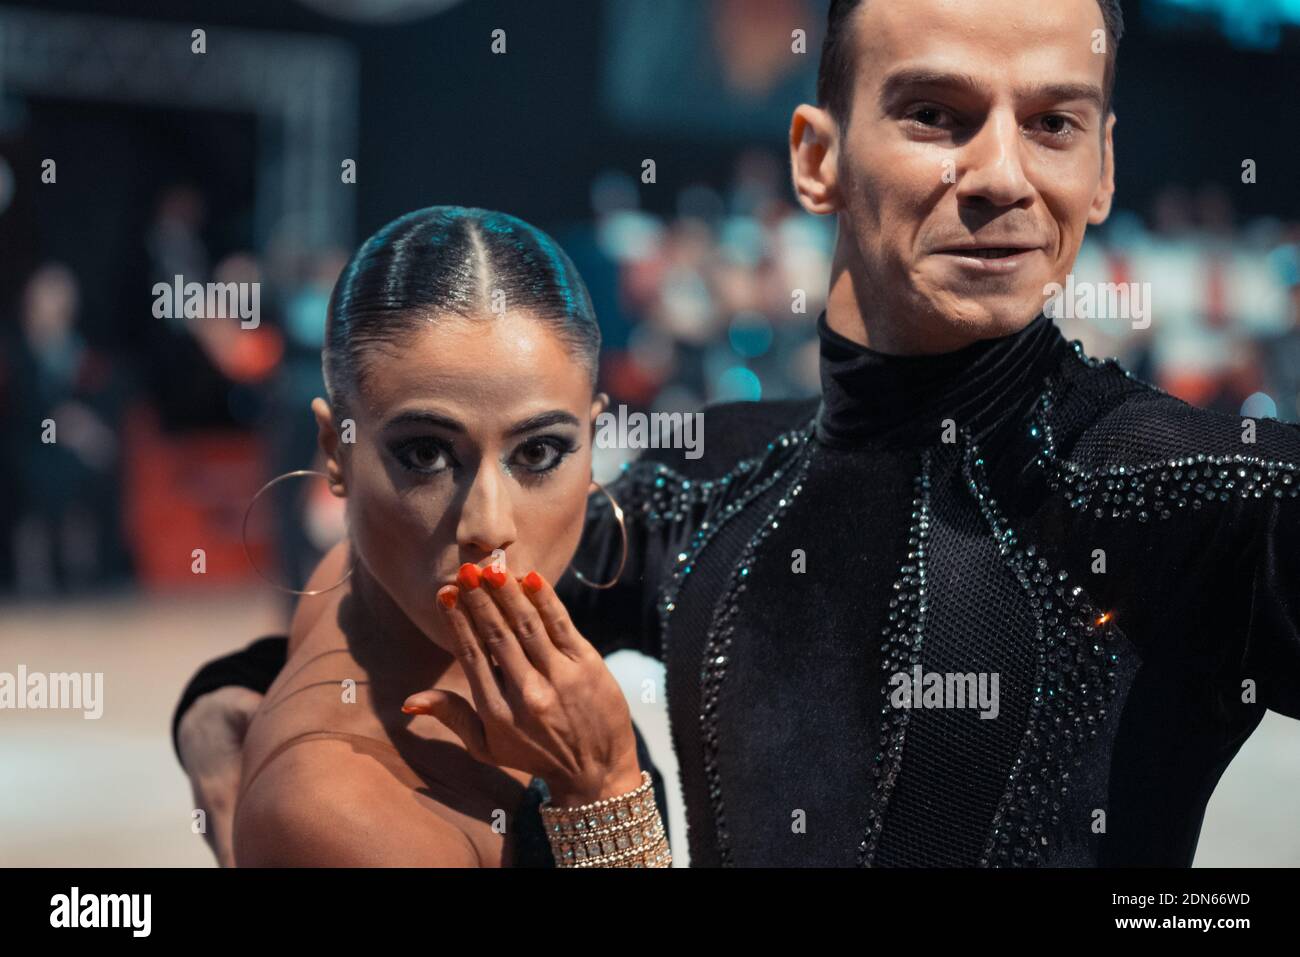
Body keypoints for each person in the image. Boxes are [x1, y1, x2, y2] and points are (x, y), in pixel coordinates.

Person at [175, 0, 1300, 867]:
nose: (1000, 176)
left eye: (1052, 122)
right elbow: (429, 579)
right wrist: (235, 691)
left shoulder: (1201, 494)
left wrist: (613, 808)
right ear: (816, 157)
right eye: (936, 116)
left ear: (1100, 168)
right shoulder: (703, 486)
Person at [190, 206, 672, 867]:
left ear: (593, 439)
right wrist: (601, 789)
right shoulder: (338, 818)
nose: (488, 525)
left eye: (539, 452)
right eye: (424, 454)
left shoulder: (361, 577)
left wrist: (214, 695)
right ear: (336, 451)